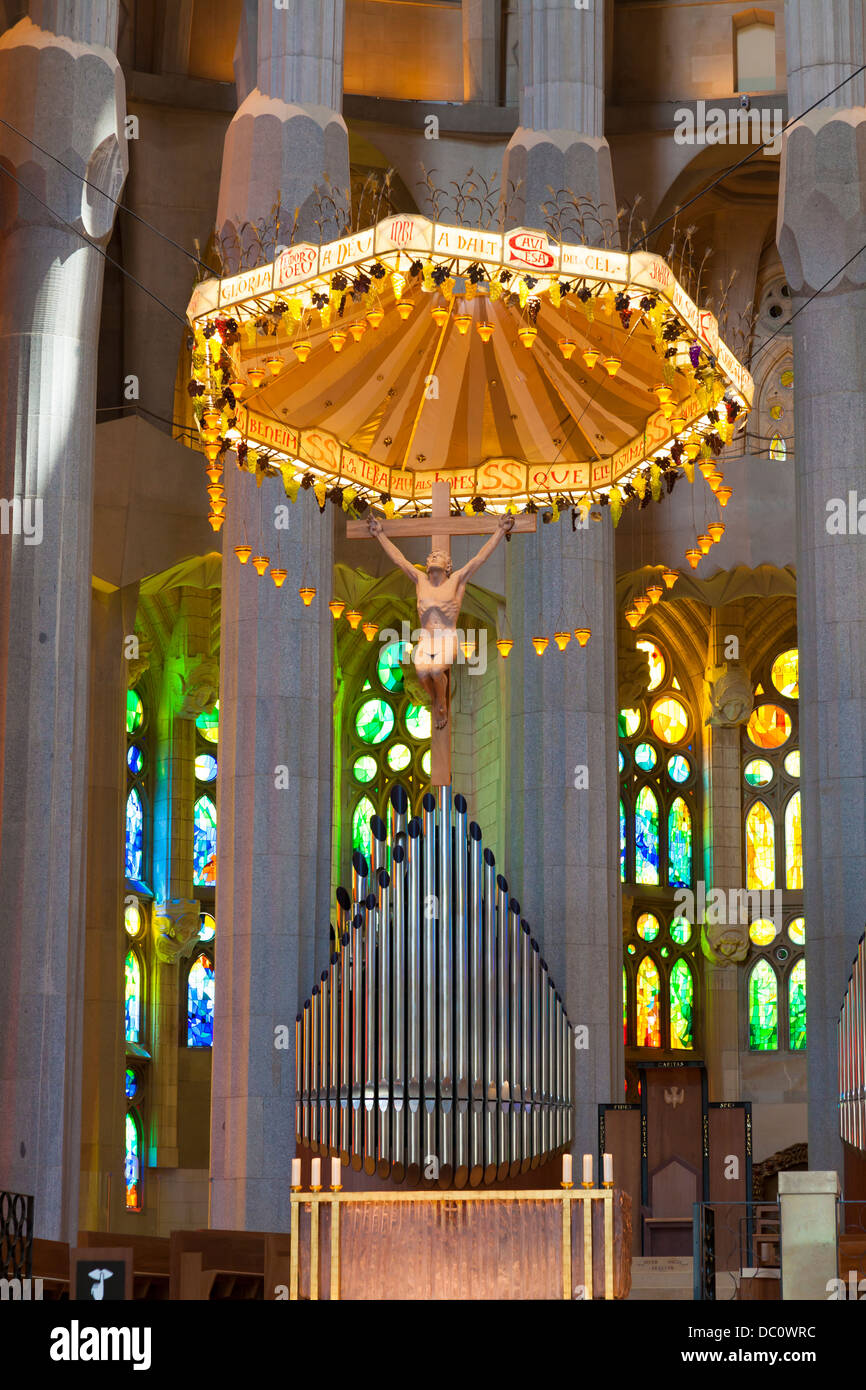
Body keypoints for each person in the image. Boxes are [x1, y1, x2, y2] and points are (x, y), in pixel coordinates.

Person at [367, 510, 514, 729]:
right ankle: (435, 698)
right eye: (431, 556)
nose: (434, 557)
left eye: (439, 556)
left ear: (448, 565)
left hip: (447, 636)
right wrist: (379, 534)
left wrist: (500, 530)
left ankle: (441, 702)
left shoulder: (456, 580)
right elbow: (399, 559)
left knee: (436, 670)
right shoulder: (420, 580)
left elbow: (479, 558)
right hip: (426, 638)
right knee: (421, 671)